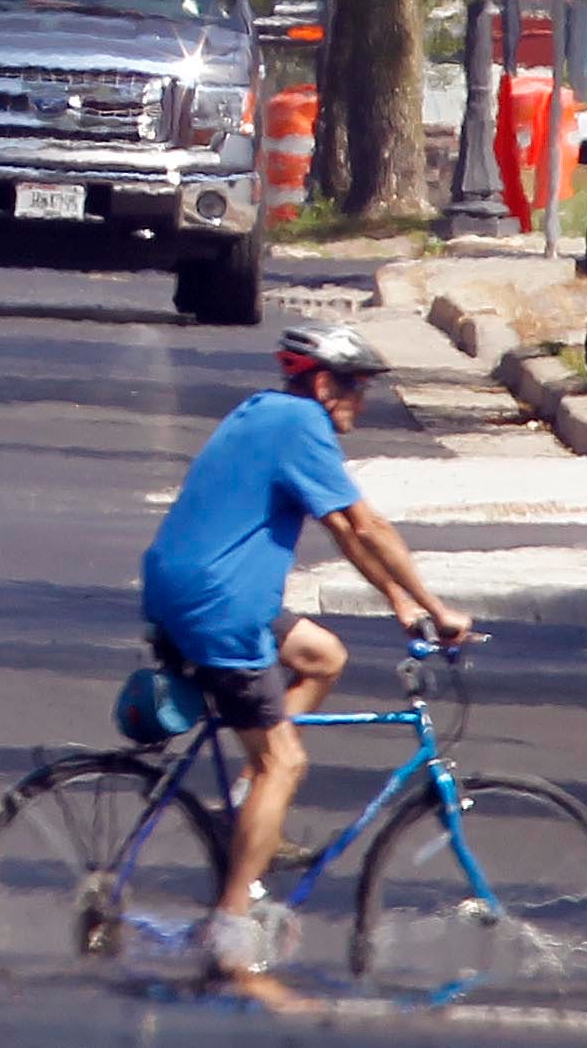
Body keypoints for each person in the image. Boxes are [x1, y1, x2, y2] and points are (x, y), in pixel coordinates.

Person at [140, 323, 474, 977]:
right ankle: (231, 923)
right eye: (354, 386)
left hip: (194, 590)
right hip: (220, 607)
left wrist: (399, 601)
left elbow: (344, 528)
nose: (363, 399)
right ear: (323, 383)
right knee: (284, 762)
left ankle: (244, 803)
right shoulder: (302, 425)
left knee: (324, 656)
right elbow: (369, 523)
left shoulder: (271, 413)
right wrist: (438, 609)